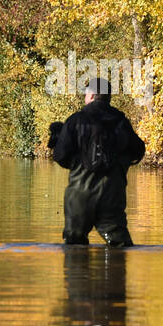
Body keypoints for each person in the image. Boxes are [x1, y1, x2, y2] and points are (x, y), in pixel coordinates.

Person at [51, 77, 145, 246]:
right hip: (113, 194)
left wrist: (66, 149)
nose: (85, 99)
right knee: (119, 245)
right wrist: (120, 162)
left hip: (80, 195)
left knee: (74, 246)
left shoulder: (76, 120)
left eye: (86, 96)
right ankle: (113, 269)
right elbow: (138, 151)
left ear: (92, 95)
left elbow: (60, 156)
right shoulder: (121, 121)